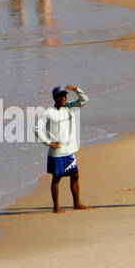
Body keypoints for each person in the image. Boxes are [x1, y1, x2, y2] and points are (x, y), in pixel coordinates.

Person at [35, 85, 90, 213]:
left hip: (69, 151)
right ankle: (56, 207)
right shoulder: (48, 112)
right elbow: (37, 129)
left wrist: (76, 89)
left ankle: (77, 203)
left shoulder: (69, 108)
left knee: (75, 175)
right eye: (61, 96)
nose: (64, 98)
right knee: (57, 178)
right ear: (55, 97)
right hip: (57, 153)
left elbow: (84, 100)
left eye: (65, 95)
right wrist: (49, 142)